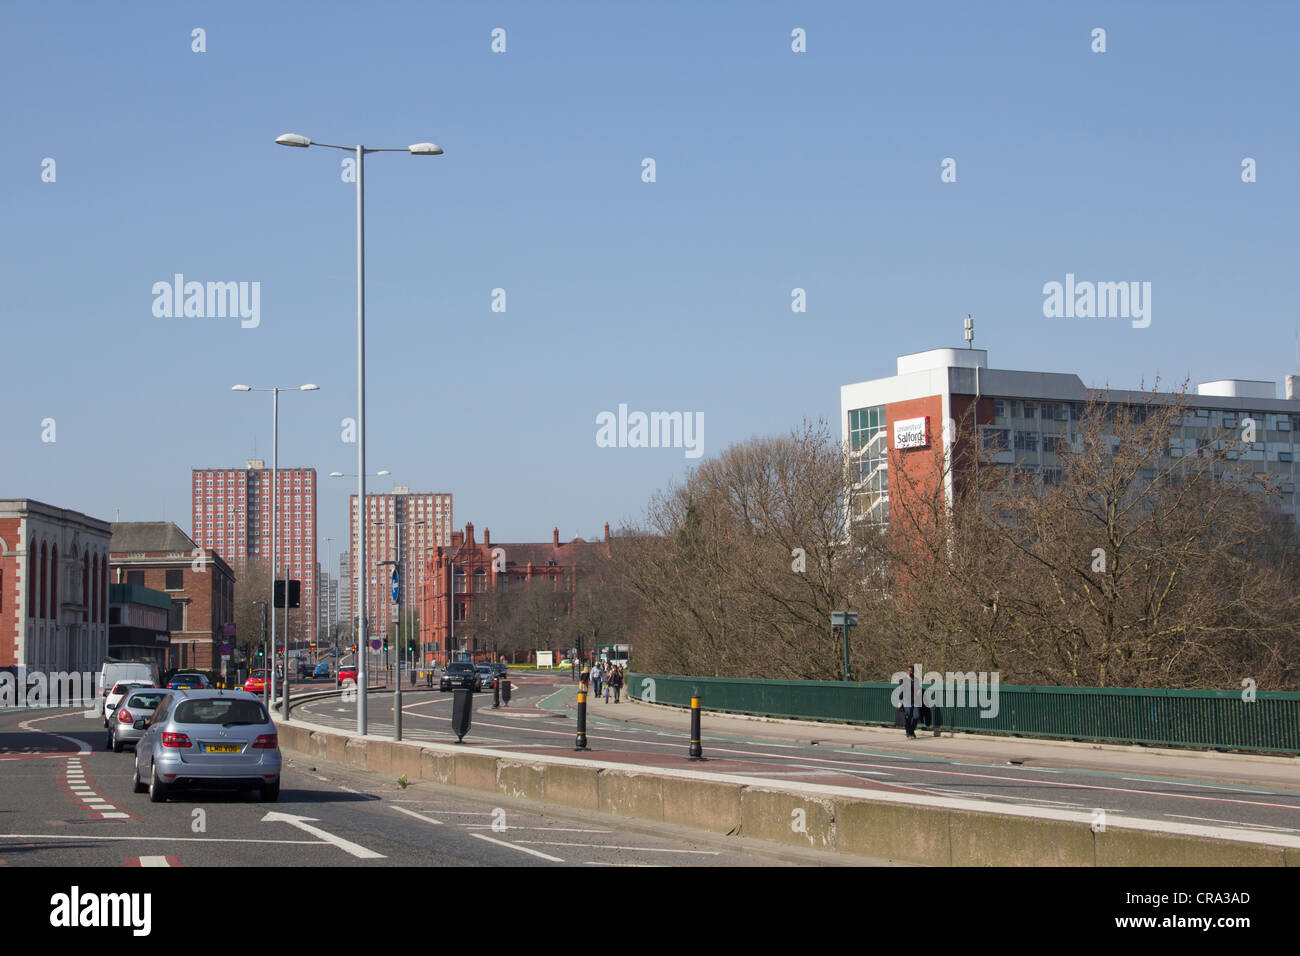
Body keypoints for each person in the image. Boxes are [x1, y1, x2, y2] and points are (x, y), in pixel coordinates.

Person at [897, 665, 921, 739]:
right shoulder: (903, 680)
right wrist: (900, 701)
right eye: (909, 670)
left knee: (917, 716)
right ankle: (908, 733)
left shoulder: (916, 679)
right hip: (907, 701)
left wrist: (919, 690)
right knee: (908, 717)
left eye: (911, 670)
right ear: (907, 671)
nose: (910, 672)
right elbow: (901, 691)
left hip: (915, 701)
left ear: (913, 671)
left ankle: (911, 730)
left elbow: (918, 687)